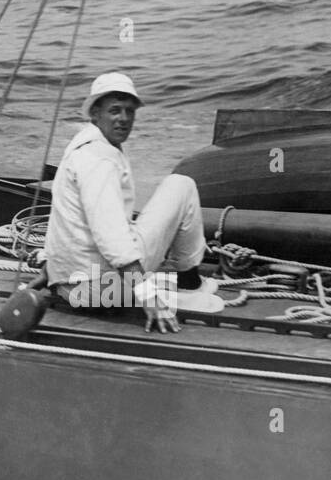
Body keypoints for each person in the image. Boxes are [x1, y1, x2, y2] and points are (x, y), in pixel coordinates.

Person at [41, 72, 222, 333]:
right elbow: (114, 241)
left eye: (129, 111)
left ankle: (179, 280)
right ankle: (190, 283)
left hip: (70, 288)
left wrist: (50, 274)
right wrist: (149, 296)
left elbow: (65, 225)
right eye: (115, 111)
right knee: (181, 185)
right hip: (98, 295)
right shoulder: (100, 161)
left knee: (163, 198)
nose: (123, 119)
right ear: (95, 114)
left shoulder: (81, 147)